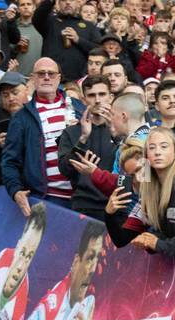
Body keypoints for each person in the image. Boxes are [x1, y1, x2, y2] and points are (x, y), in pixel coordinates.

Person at [105, 126, 175, 260]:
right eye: (152, 148)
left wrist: (157, 244)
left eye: (164, 146)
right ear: (147, 156)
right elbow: (122, 239)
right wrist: (109, 213)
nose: (157, 152)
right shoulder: (153, 191)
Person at [1, 58, 85, 215]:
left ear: (59, 78)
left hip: (82, 198)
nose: (46, 77)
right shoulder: (22, 117)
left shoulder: (79, 107)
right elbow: (9, 161)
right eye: (41, 74)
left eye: (51, 74)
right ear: (33, 79)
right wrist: (15, 190)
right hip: (47, 199)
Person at [57, 75, 119, 221]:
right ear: (83, 100)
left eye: (102, 94)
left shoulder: (123, 130)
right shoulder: (71, 132)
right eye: (91, 95)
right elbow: (65, 170)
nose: (97, 100)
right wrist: (83, 139)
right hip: (83, 207)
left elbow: (135, 167)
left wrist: (116, 135)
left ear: (110, 97)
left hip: (117, 206)